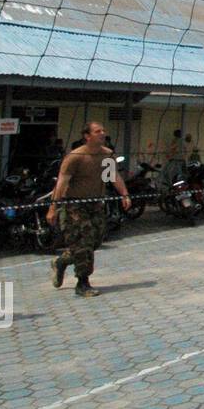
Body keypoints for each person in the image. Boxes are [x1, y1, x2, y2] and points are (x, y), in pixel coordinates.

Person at [48, 122, 129, 298]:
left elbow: (113, 176)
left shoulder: (106, 155)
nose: (102, 133)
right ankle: (82, 283)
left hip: (96, 203)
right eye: (97, 131)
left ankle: (62, 261)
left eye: (103, 130)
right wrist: (53, 208)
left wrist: (124, 194)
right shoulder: (75, 157)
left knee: (95, 240)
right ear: (87, 135)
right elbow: (61, 183)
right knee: (84, 242)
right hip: (75, 204)